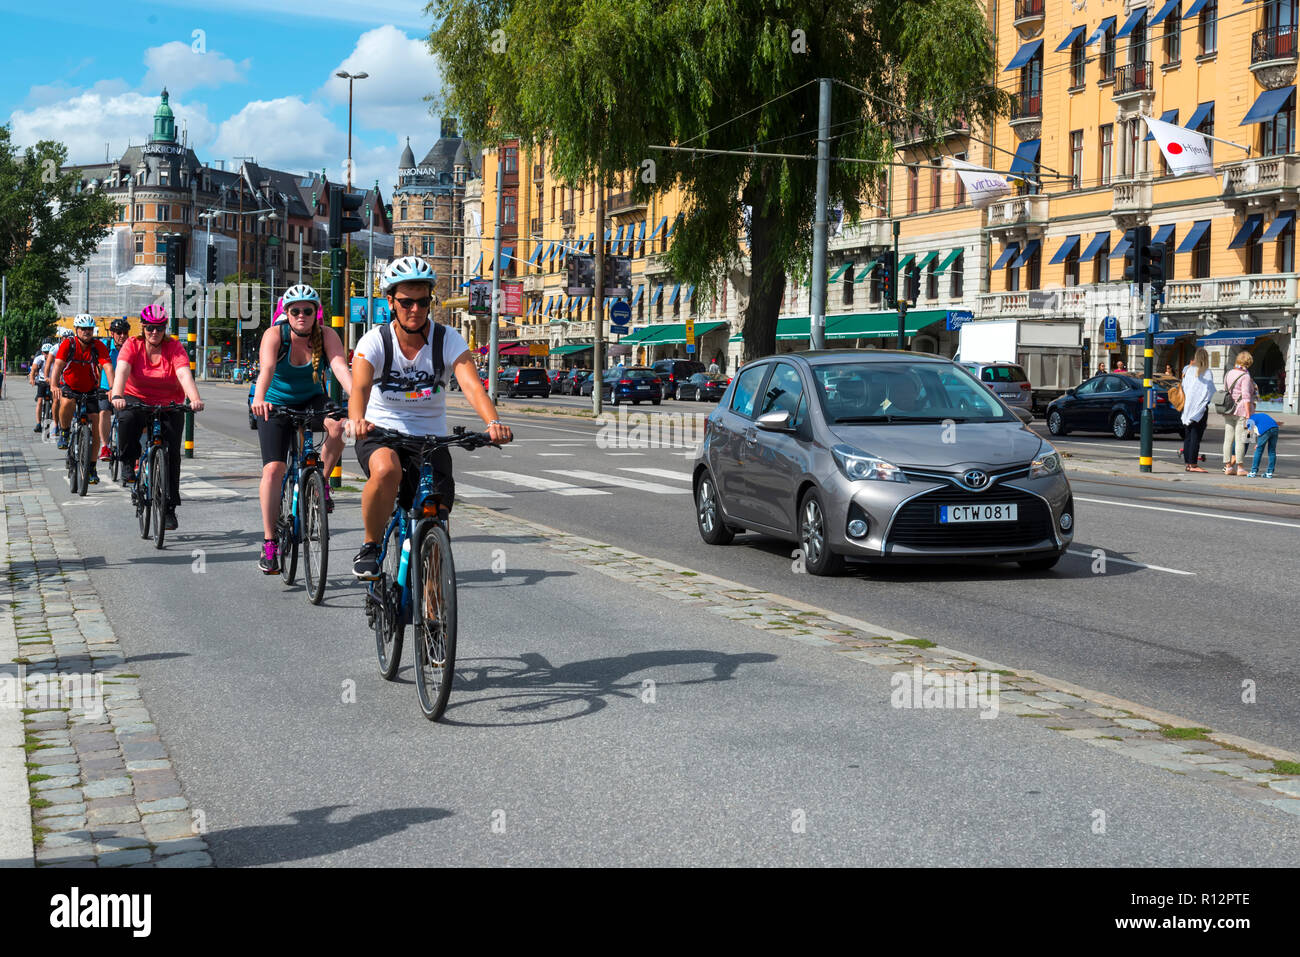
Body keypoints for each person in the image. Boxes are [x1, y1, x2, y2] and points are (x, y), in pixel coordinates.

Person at [348, 256, 513, 579]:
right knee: (386, 469)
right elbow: (360, 388)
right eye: (406, 302)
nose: (415, 310)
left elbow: (472, 387)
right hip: (382, 431)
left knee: (436, 516)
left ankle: (434, 604)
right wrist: (356, 420)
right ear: (391, 301)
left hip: (430, 438)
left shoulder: (447, 338)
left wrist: (493, 423)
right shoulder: (376, 341)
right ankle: (370, 544)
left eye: (423, 302)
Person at [250, 284, 353, 574]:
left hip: (311, 400)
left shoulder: (326, 335)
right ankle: (270, 542)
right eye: (295, 310)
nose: (301, 315)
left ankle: (319, 481)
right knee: (273, 469)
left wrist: (360, 398)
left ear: (315, 313)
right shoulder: (275, 335)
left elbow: (340, 368)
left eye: (308, 310)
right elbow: (267, 369)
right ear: (287, 312)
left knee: (341, 426)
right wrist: (259, 400)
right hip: (275, 403)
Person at [109, 304, 205, 530]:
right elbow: (122, 370)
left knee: (172, 455)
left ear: (165, 329)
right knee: (127, 419)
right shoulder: (133, 345)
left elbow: (183, 373)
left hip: (168, 402)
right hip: (135, 397)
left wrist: (194, 398)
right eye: (150, 328)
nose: (155, 333)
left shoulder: (174, 346)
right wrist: (117, 394)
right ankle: (127, 461)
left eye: (160, 328)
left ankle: (169, 508)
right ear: (143, 327)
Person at [48, 315, 112, 468]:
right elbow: (57, 366)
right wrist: (54, 385)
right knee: (67, 402)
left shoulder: (97, 346)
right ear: (76, 330)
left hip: (90, 388)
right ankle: (64, 431)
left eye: (89, 329)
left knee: (95, 423)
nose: (87, 332)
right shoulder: (68, 344)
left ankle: (92, 466)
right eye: (83, 329)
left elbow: (108, 367)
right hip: (69, 385)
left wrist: (112, 389)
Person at [97, 319, 131, 461]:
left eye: (125, 333)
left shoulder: (131, 347)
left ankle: (127, 449)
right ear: (112, 333)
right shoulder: (104, 346)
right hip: (105, 389)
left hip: (125, 390)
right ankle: (105, 446)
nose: (122, 336)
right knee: (104, 411)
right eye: (118, 333)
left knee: (127, 418)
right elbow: (98, 368)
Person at [1221, 350, 1257, 477]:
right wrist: (1249, 416)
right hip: (1241, 410)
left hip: (1228, 409)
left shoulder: (1228, 373)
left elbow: (1226, 391)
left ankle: (1228, 466)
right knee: (1241, 439)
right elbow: (1246, 397)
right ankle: (1240, 467)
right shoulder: (1245, 376)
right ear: (1248, 362)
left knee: (1228, 439)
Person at [1179, 347, 1214, 473]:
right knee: (1195, 436)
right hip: (1199, 408)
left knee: (1188, 436)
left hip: (1187, 407)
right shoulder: (1206, 372)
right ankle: (1193, 464)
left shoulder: (1188, 370)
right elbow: (1209, 391)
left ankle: (1188, 463)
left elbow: (1185, 387)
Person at [28, 343, 54, 431]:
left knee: (55, 402)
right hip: (42, 381)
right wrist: (32, 379)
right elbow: (33, 369)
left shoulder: (55, 358)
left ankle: (55, 423)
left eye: (49, 352)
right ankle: (38, 423)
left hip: (52, 381)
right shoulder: (39, 359)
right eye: (45, 352)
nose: (47, 354)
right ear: (42, 352)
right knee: (39, 401)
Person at [1246, 412, 1279, 479]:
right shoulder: (1262, 414)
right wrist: (1258, 443)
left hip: (1265, 431)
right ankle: (1269, 473)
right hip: (1275, 428)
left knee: (1259, 450)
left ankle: (1253, 472)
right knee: (1272, 451)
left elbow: (1249, 434)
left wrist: (1246, 442)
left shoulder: (1249, 419)